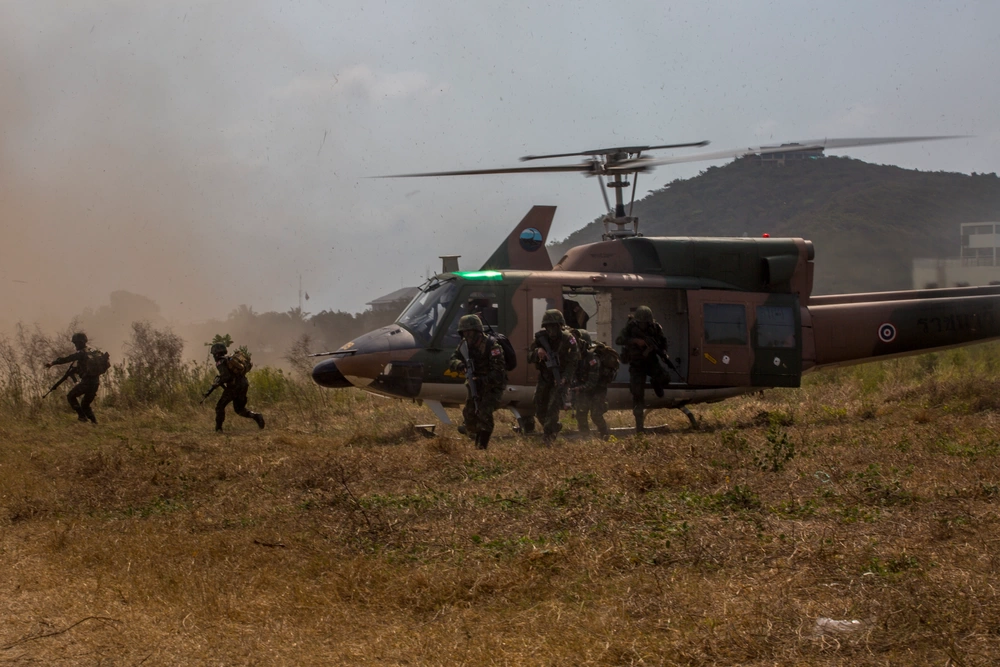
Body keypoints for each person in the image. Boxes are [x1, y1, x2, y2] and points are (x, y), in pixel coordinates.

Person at [448, 314, 507, 449]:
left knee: (484, 413)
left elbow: (499, 373)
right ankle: (476, 435)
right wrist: (460, 365)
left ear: (477, 331)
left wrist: (481, 380)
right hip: (474, 385)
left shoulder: (492, 346)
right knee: (469, 414)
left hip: (493, 386)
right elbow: (453, 359)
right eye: (464, 332)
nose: (467, 335)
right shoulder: (464, 345)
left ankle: (481, 446)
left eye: (469, 332)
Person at [615, 305, 672, 433]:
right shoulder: (630, 327)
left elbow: (663, 342)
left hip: (651, 362)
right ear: (637, 321)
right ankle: (639, 427)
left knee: (665, 379)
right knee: (637, 394)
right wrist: (635, 340)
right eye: (641, 323)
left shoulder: (656, 328)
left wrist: (663, 353)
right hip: (636, 364)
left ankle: (655, 382)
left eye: (645, 323)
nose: (643, 325)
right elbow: (619, 340)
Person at [528, 309, 580, 442]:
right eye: (548, 326)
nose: (551, 330)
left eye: (554, 326)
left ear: (560, 326)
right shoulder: (540, 338)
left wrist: (565, 378)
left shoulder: (568, 339)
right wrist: (537, 352)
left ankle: (548, 437)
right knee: (539, 405)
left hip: (561, 378)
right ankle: (553, 427)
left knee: (552, 407)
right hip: (545, 377)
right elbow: (528, 356)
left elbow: (573, 361)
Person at [45, 332, 104, 424]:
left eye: (76, 343)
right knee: (85, 405)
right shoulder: (91, 351)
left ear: (80, 342)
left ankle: (82, 417)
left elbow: (66, 359)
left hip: (87, 383)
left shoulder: (81, 353)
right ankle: (94, 423)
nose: (75, 345)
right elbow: (85, 368)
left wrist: (52, 363)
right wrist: (75, 371)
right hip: (95, 382)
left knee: (71, 396)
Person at [208, 342, 265, 432]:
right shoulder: (228, 359)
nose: (213, 356)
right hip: (244, 384)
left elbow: (227, 376)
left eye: (214, 354)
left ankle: (218, 429)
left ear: (216, 353)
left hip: (234, 386)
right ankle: (257, 416)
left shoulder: (220, 362)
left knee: (220, 407)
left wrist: (218, 383)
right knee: (239, 409)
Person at [572, 331, 613, 438]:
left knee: (596, 415)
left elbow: (592, 383)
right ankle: (585, 437)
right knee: (580, 414)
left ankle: (605, 435)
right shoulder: (575, 356)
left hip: (598, 389)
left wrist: (579, 388)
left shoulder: (592, 359)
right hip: (584, 389)